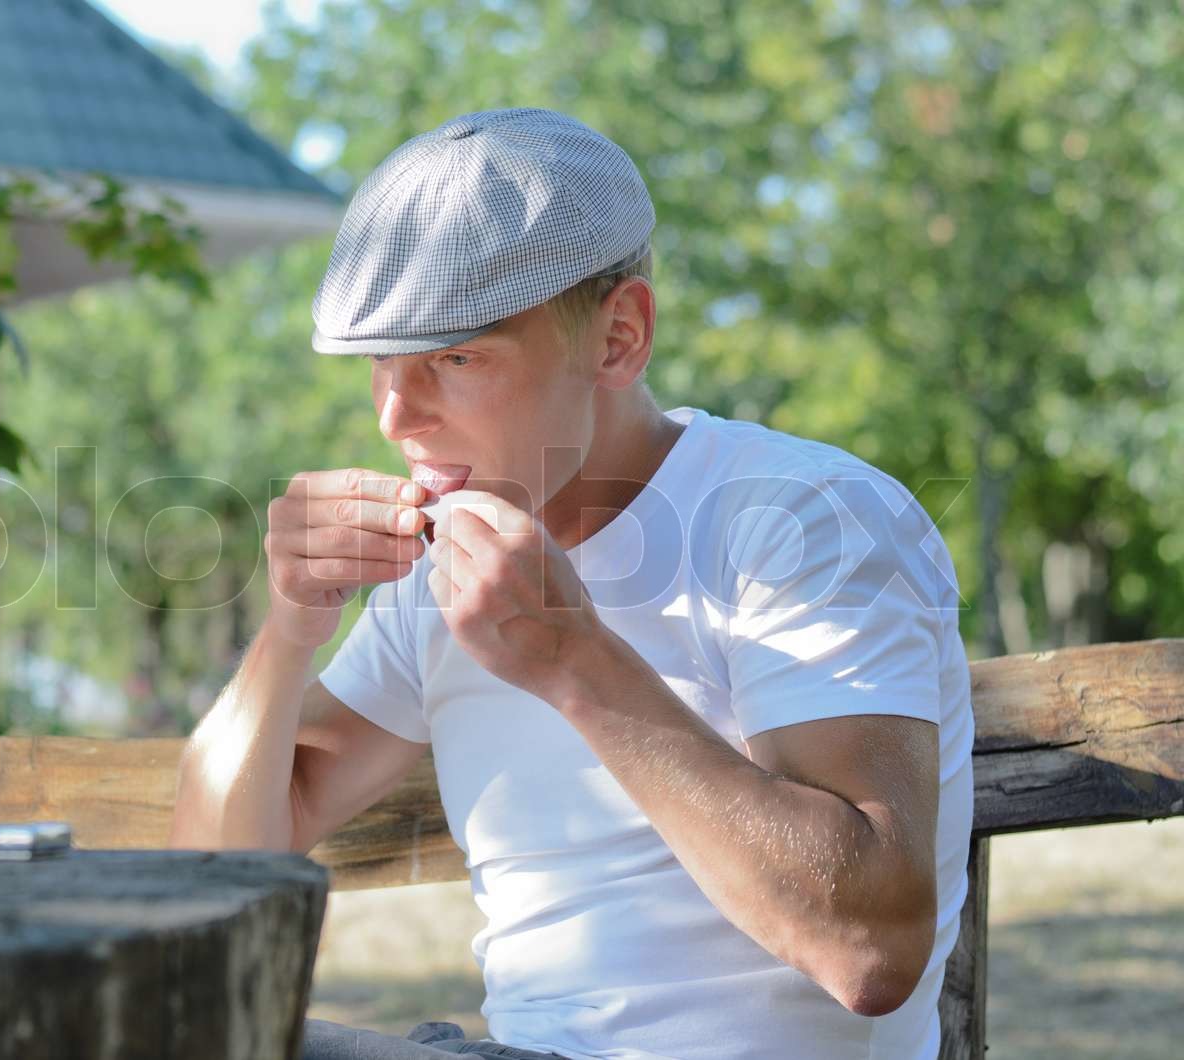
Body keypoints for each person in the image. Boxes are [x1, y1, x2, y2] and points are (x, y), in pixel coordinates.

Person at [168, 107, 974, 1060]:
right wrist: (291, 627)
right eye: (381, 360)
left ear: (619, 337)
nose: (395, 416)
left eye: (456, 358)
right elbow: (219, 874)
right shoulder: (441, 571)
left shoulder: (802, 519)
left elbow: (871, 951)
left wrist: (573, 661)